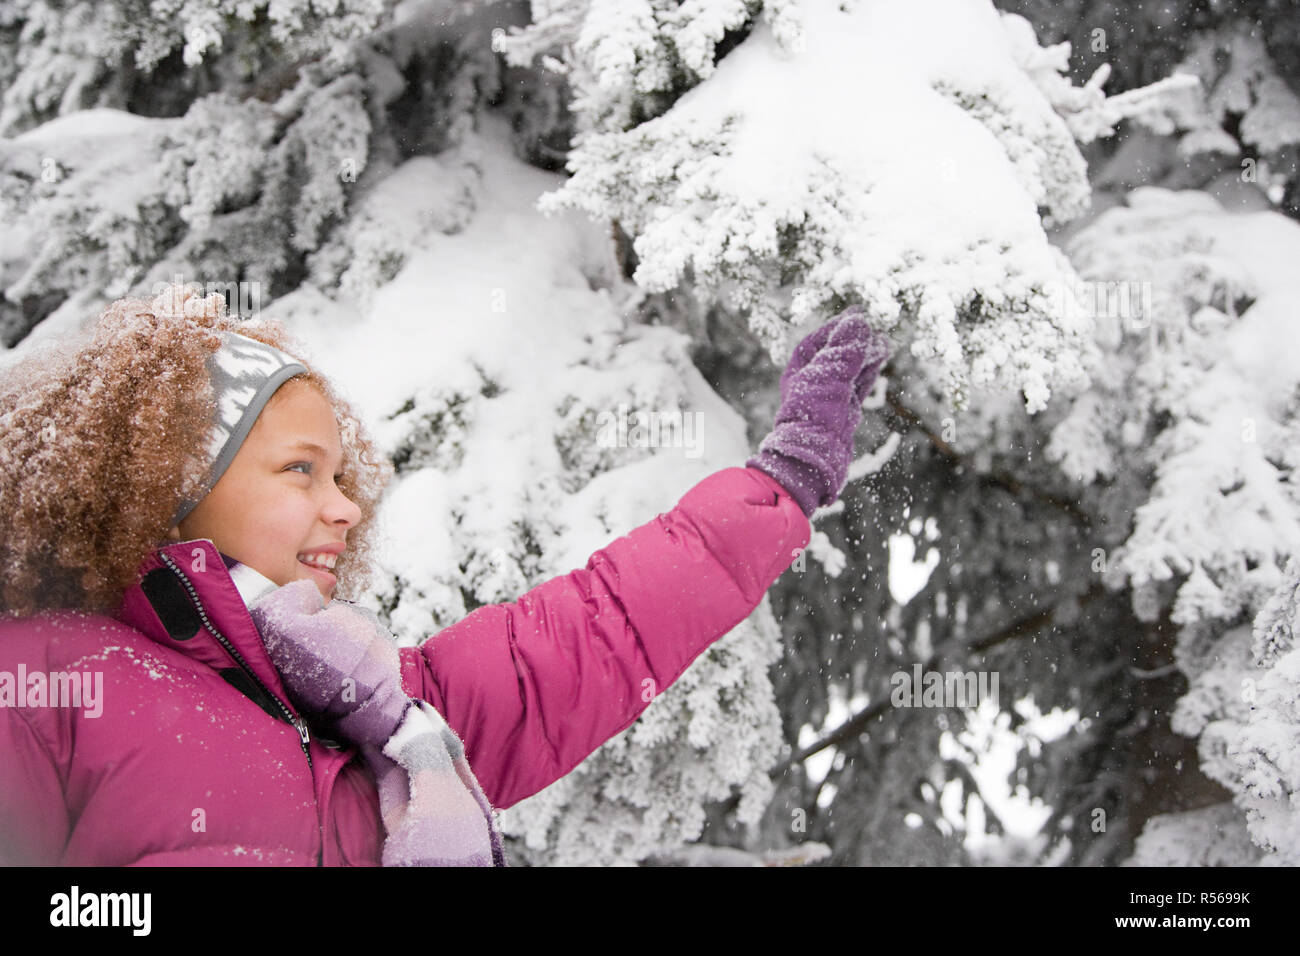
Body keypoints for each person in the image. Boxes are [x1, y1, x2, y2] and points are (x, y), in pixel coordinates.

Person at [0, 282, 889, 866]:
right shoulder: (42, 683)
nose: (346, 507)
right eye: (301, 470)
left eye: (344, 478)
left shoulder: (375, 709)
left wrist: (783, 483)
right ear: (170, 483)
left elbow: (592, 633)